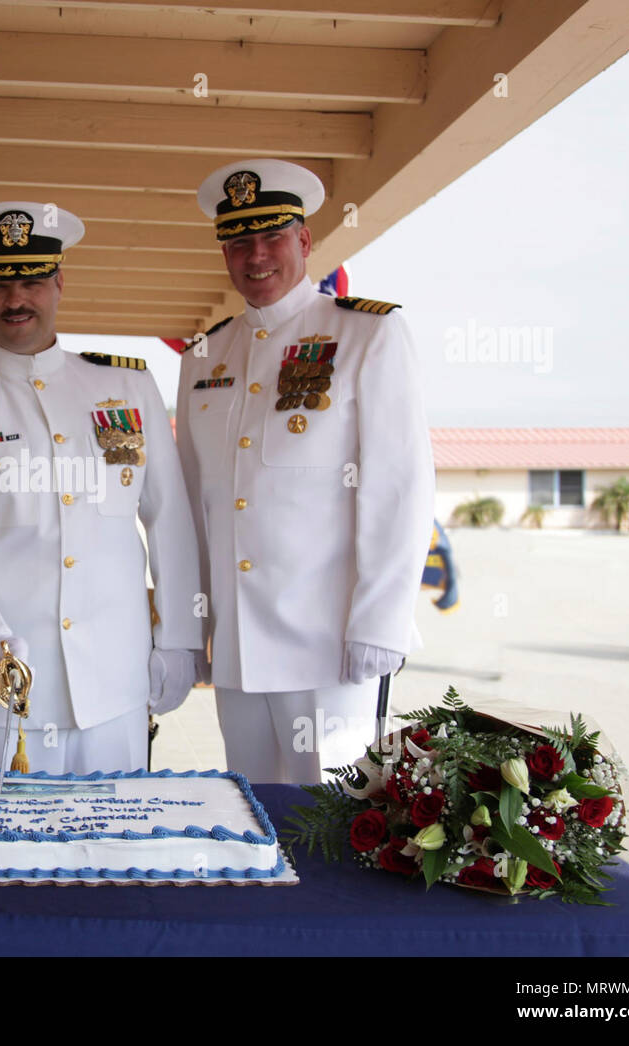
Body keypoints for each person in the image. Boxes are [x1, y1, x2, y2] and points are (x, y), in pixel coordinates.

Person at [0, 202, 202, 773]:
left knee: (111, 852)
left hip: (114, 685)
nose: (16, 299)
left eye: (32, 281)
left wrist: (181, 639)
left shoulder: (126, 386)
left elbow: (169, 518)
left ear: (59, 282)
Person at [177, 159, 435, 783]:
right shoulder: (204, 356)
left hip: (331, 647)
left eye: (271, 237)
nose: (255, 255)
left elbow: (399, 487)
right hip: (238, 646)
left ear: (304, 242)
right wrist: (195, 627)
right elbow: (193, 505)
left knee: (334, 825)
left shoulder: (367, 333)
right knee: (256, 814)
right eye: (239, 242)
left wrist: (381, 620)